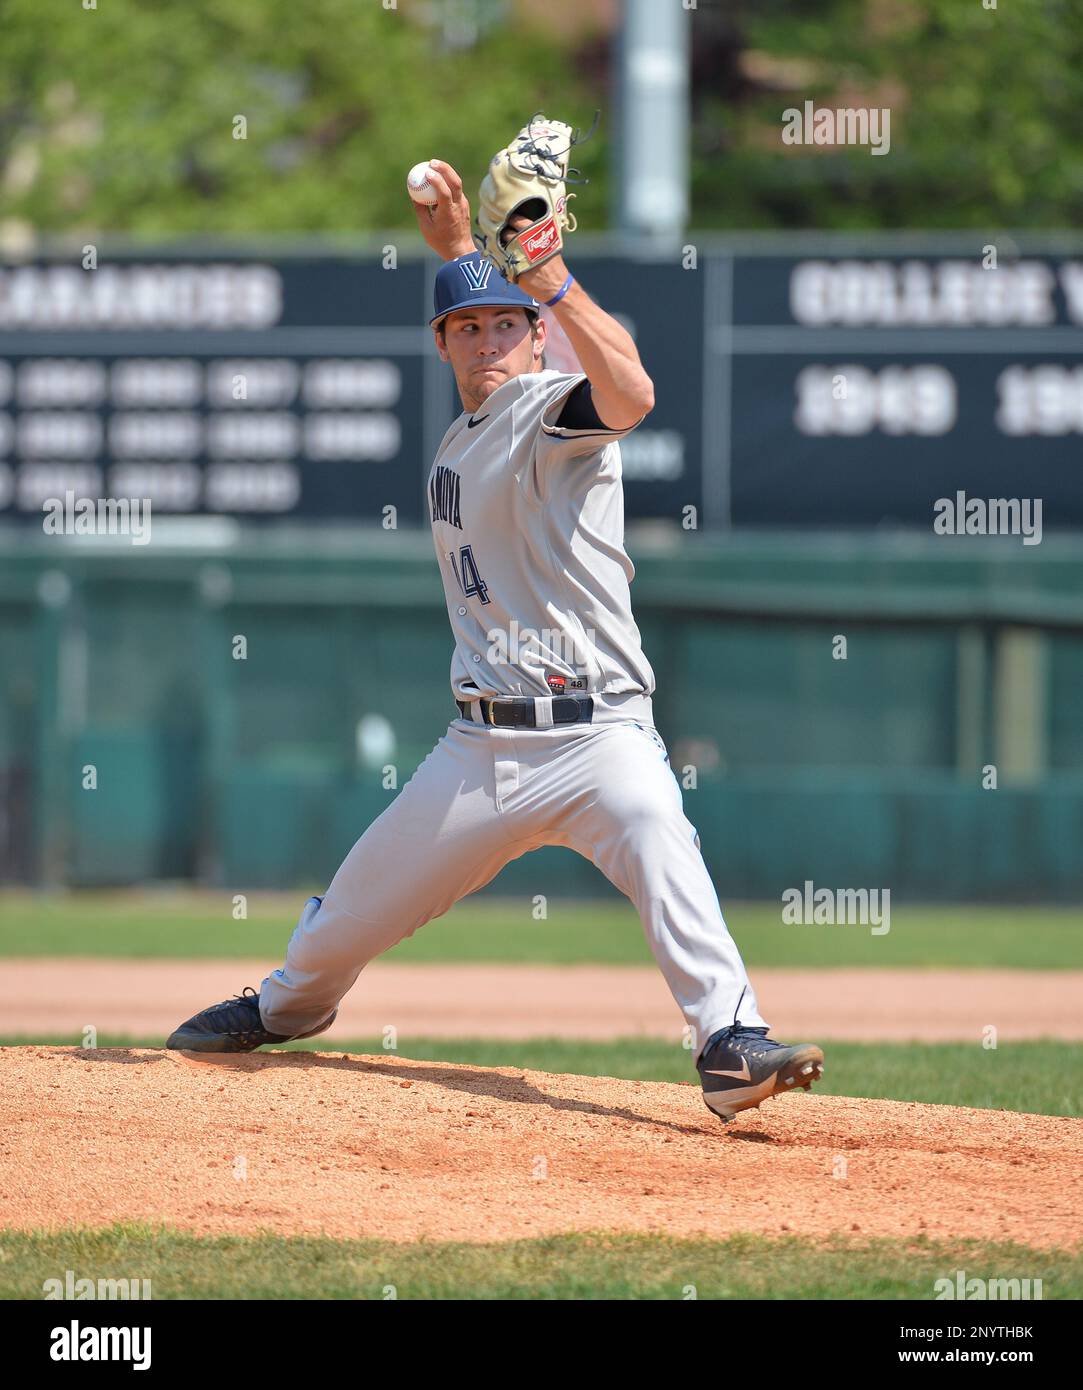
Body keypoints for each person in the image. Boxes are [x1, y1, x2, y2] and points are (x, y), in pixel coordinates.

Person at [167, 159, 825, 1122]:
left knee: (657, 836)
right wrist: (458, 249)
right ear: (441, 344)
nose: (486, 340)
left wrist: (550, 279)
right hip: (481, 749)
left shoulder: (542, 410)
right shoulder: (465, 432)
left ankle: (728, 1043)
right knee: (351, 912)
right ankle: (285, 1006)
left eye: (503, 325)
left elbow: (632, 395)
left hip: (598, 734)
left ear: (537, 337)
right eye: (465, 327)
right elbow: (480, 299)